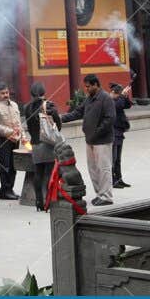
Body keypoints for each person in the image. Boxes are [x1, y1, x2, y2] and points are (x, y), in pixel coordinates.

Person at [60, 74, 115, 206]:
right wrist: (60, 118)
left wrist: (96, 133)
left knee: (103, 169)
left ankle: (106, 197)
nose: (86, 89)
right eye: (85, 86)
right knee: (93, 169)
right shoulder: (89, 99)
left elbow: (110, 119)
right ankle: (99, 194)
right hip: (90, 140)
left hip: (102, 140)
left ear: (96, 84)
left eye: (88, 86)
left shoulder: (105, 98)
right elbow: (78, 112)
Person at [23, 83, 61, 210]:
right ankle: (49, 201)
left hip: (35, 143)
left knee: (38, 173)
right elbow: (58, 125)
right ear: (44, 91)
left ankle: (39, 202)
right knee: (49, 174)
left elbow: (28, 126)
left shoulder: (26, 107)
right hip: (48, 143)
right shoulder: (49, 105)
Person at [0, 82, 23, 200]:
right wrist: (10, 132)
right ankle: (4, 190)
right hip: (4, 139)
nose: (6, 95)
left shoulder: (14, 104)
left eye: (7, 92)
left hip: (16, 139)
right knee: (5, 165)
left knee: (14, 165)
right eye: (2, 93)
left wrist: (22, 136)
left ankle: (10, 189)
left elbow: (19, 122)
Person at [108, 82, 132, 189]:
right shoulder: (109, 101)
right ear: (113, 93)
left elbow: (127, 105)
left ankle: (119, 179)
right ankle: (113, 181)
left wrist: (125, 96)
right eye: (118, 95)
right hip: (112, 133)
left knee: (118, 159)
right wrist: (122, 96)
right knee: (113, 159)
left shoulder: (118, 99)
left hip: (119, 132)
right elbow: (118, 105)